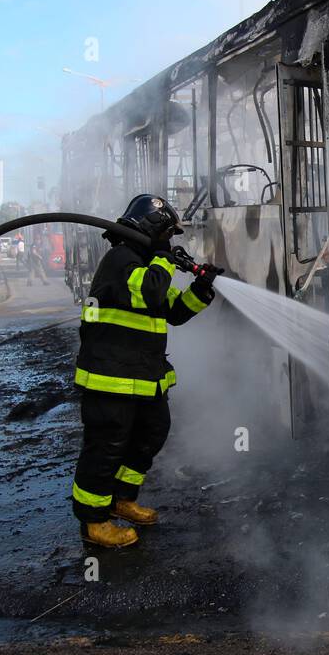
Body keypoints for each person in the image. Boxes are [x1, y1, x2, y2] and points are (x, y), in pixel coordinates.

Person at [71, 194, 219, 547]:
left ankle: (121, 498)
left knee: (154, 430)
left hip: (140, 376)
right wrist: (166, 262)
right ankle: (93, 521)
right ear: (152, 229)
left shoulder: (140, 262)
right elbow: (150, 291)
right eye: (168, 234)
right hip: (112, 380)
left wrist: (201, 288)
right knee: (105, 446)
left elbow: (171, 311)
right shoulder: (121, 258)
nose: (170, 242)